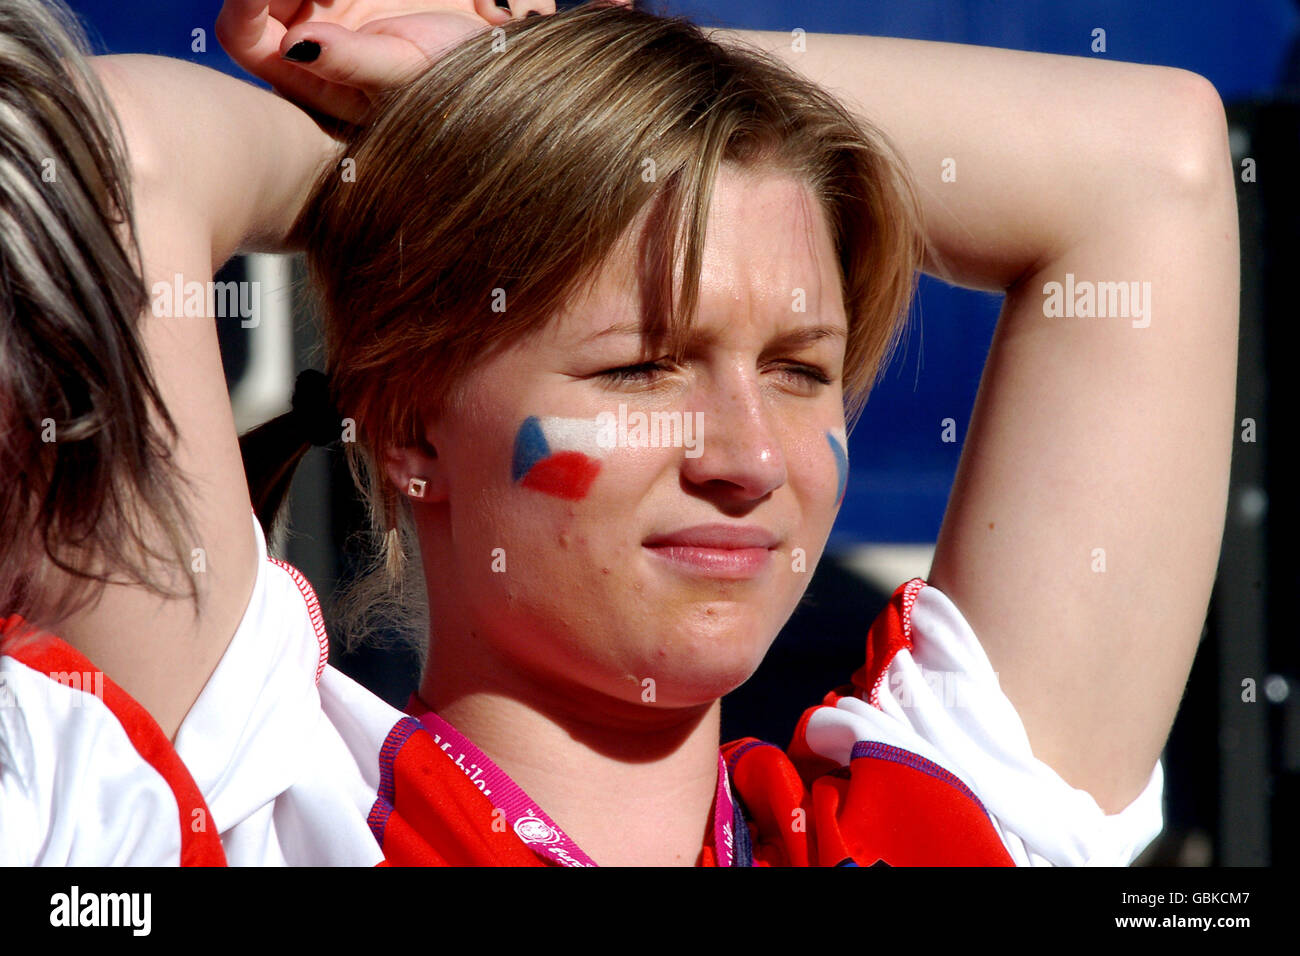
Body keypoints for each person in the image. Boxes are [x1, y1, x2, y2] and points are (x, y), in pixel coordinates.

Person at [0, 0, 1238, 866]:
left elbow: (1152, 166)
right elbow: (109, 164)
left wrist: (513, 69)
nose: (748, 458)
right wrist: (483, 135)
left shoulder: (937, 836)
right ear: (408, 416)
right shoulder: (262, 818)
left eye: (800, 370)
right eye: (644, 366)